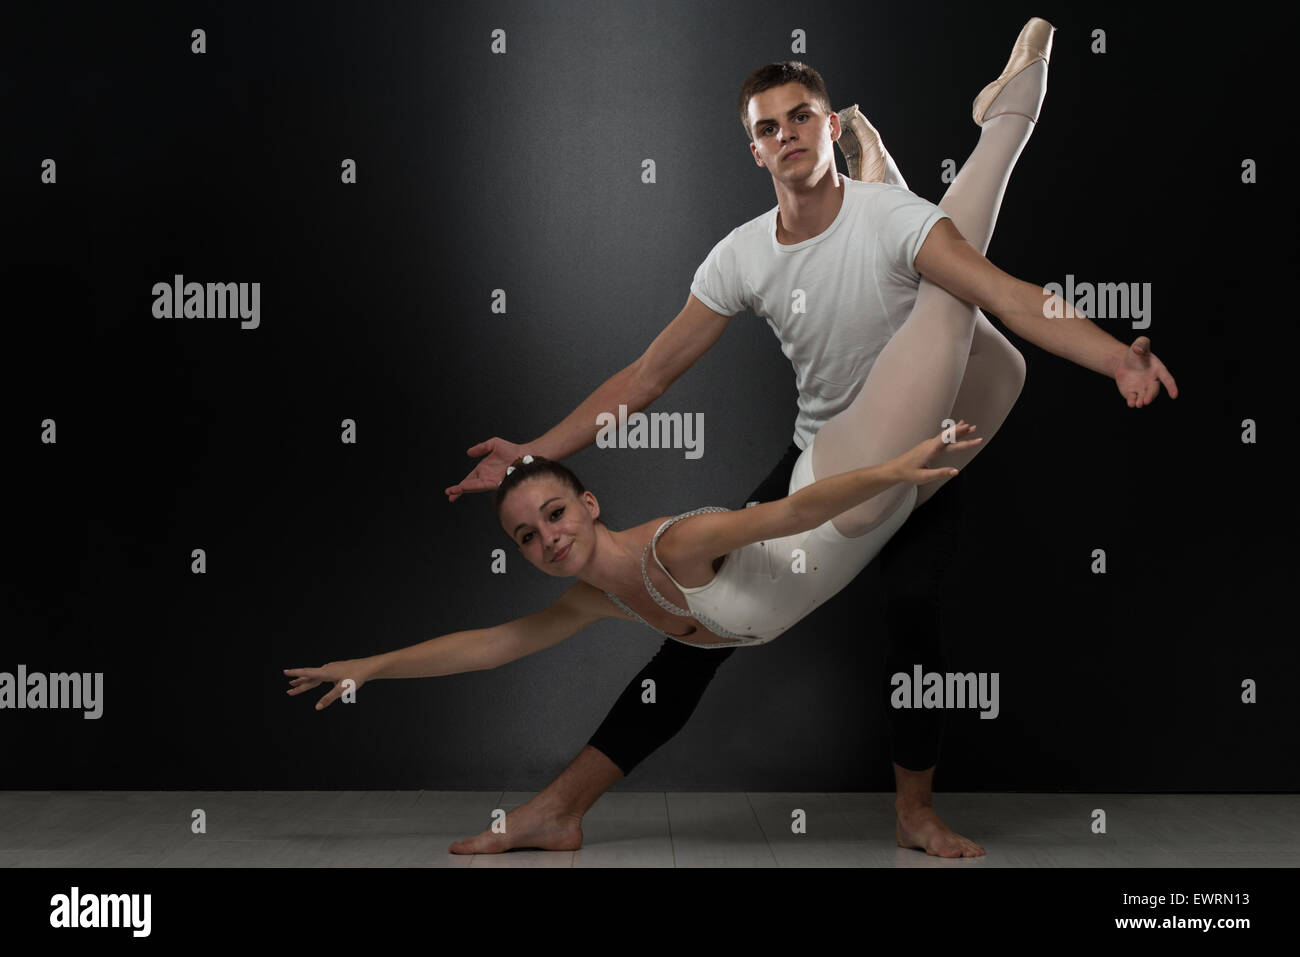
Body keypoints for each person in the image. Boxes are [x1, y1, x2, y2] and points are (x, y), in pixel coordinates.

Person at [290, 18, 1178, 856]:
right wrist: (375, 660)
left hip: (886, 445)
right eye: (767, 127)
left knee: (956, 290)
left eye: (801, 118)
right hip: (872, 435)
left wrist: (1110, 362)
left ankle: (1009, 114)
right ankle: (557, 809)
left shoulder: (675, 545)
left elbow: (1007, 304)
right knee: (694, 653)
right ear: (751, 148)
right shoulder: (740, 261)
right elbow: (641, 385)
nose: (785, 134)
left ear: (824, 126)